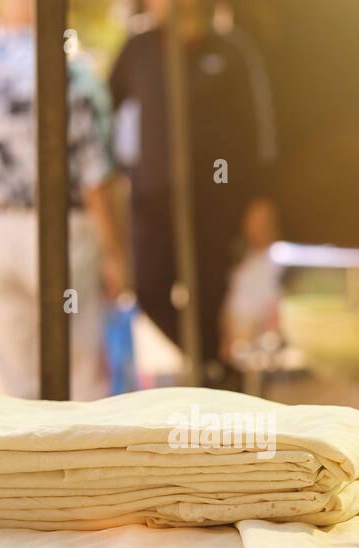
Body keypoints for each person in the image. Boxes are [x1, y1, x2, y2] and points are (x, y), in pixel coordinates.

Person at [0, 0, 126, 400]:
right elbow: (96, 180)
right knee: (84, 380)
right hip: (68, 234)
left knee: (19, 389)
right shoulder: (74, 75)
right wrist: (116, 256)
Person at [110, 0, 279, 386]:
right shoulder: (138, 49)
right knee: (149, 286)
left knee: (208, 290)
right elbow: (109, 110)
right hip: (152, 198)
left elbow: (257, 129)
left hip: (215, 200)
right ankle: (208, 360)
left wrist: (259, 200)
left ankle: (214, 373)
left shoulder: (231, 50)